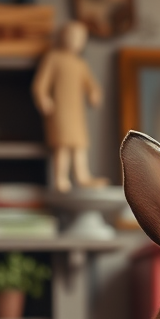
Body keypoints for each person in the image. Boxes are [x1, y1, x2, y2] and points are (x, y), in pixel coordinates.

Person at [31, 21, 107, 192]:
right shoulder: (53, 58)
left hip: (77, 112)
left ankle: (82, 176)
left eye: (80, 38)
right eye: (72, 36)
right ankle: (61, 178)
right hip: (60, 110)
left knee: (79, 143)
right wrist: (43, 98)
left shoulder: (80, 63)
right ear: (62, 37)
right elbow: (40, 84)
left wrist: (94, 94)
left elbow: (92, 85)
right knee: (62, 144)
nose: (75, 40)